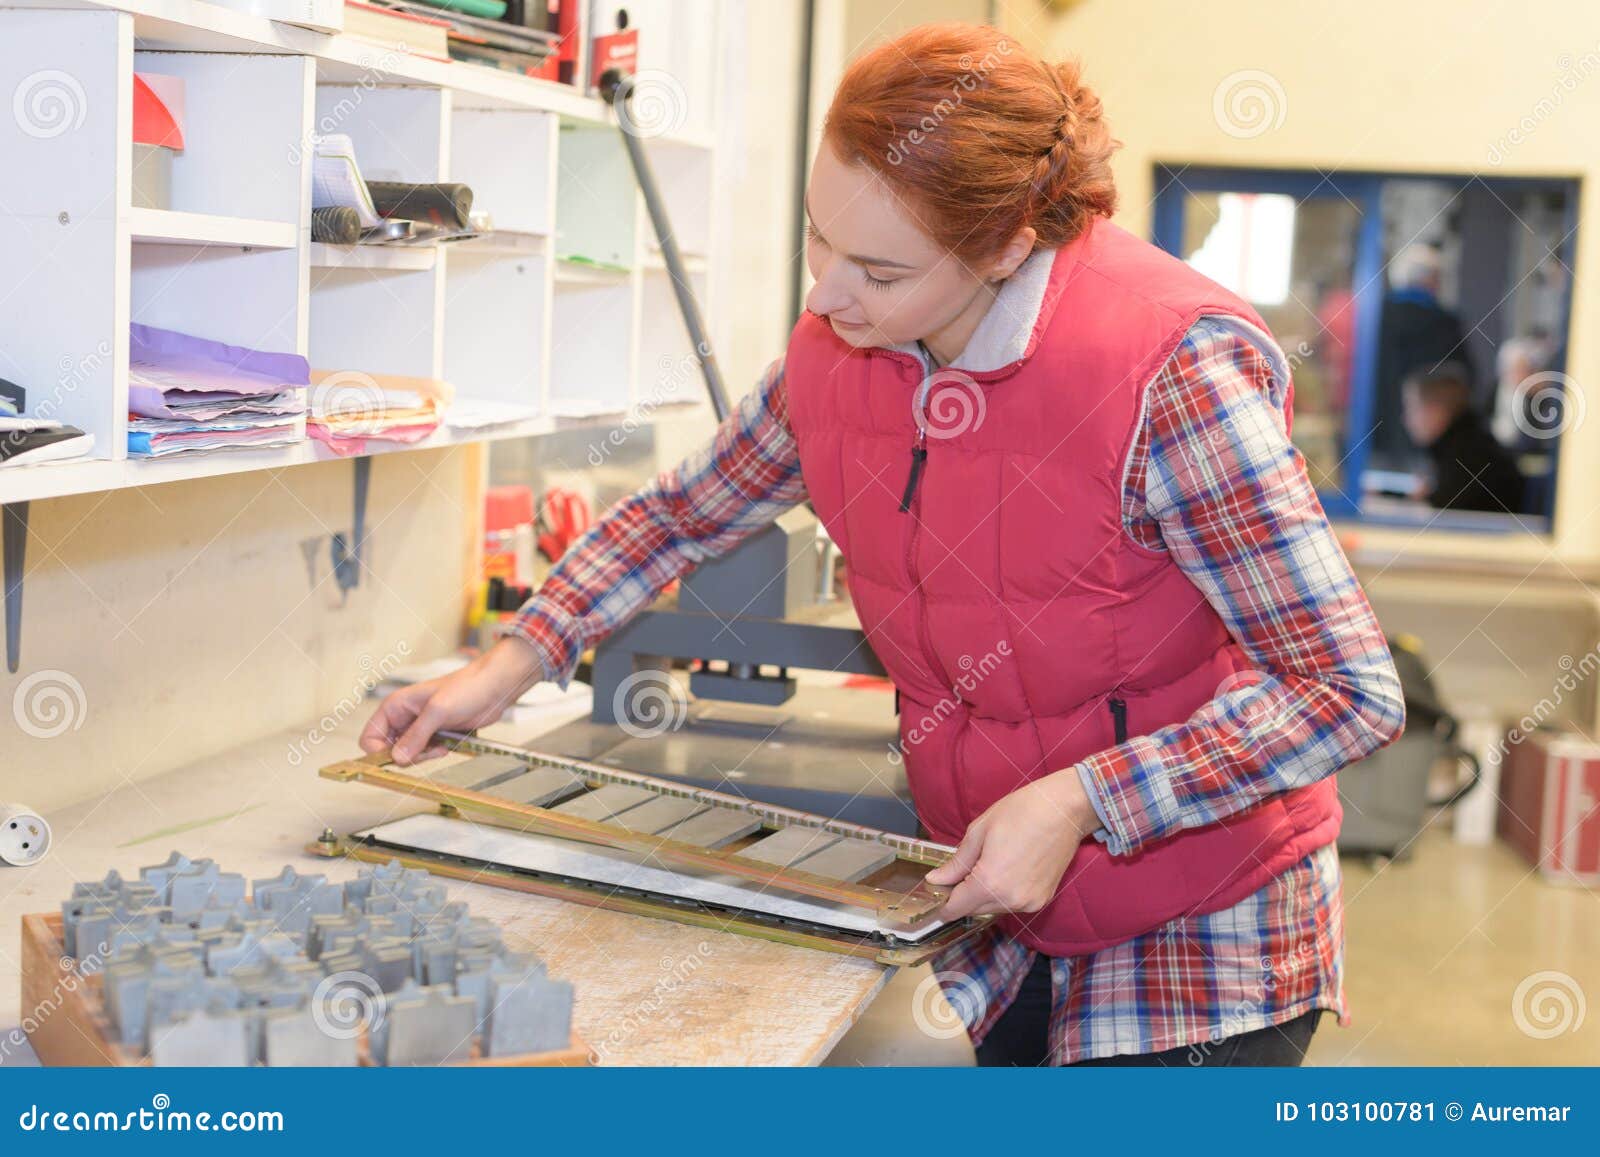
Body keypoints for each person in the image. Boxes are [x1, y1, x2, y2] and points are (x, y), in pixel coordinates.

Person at [361, 22, 1405, 1067]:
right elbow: (681, 517)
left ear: (1006, 244)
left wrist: (1086, 798)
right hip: (1002, 905)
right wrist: (510, 662)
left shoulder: (1167, 372)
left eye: (877, 268)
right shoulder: (841, 350)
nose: (823, 292)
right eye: (819, 238)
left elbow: (1347, 687)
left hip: (1202, 926)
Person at [1372, 243, 1470, 469]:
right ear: (1432, 280)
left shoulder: (1373, 318)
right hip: (1427, 445)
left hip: (1373, 438)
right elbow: (1462, 382)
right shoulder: (1445, 324)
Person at [1403, 363, 1525, 513]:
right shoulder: (1466, 443)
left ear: (1437, 410)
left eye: (1412, 407)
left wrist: (1425, 499)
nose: (1405, 419)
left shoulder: (1469, 456)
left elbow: (1441, 512)